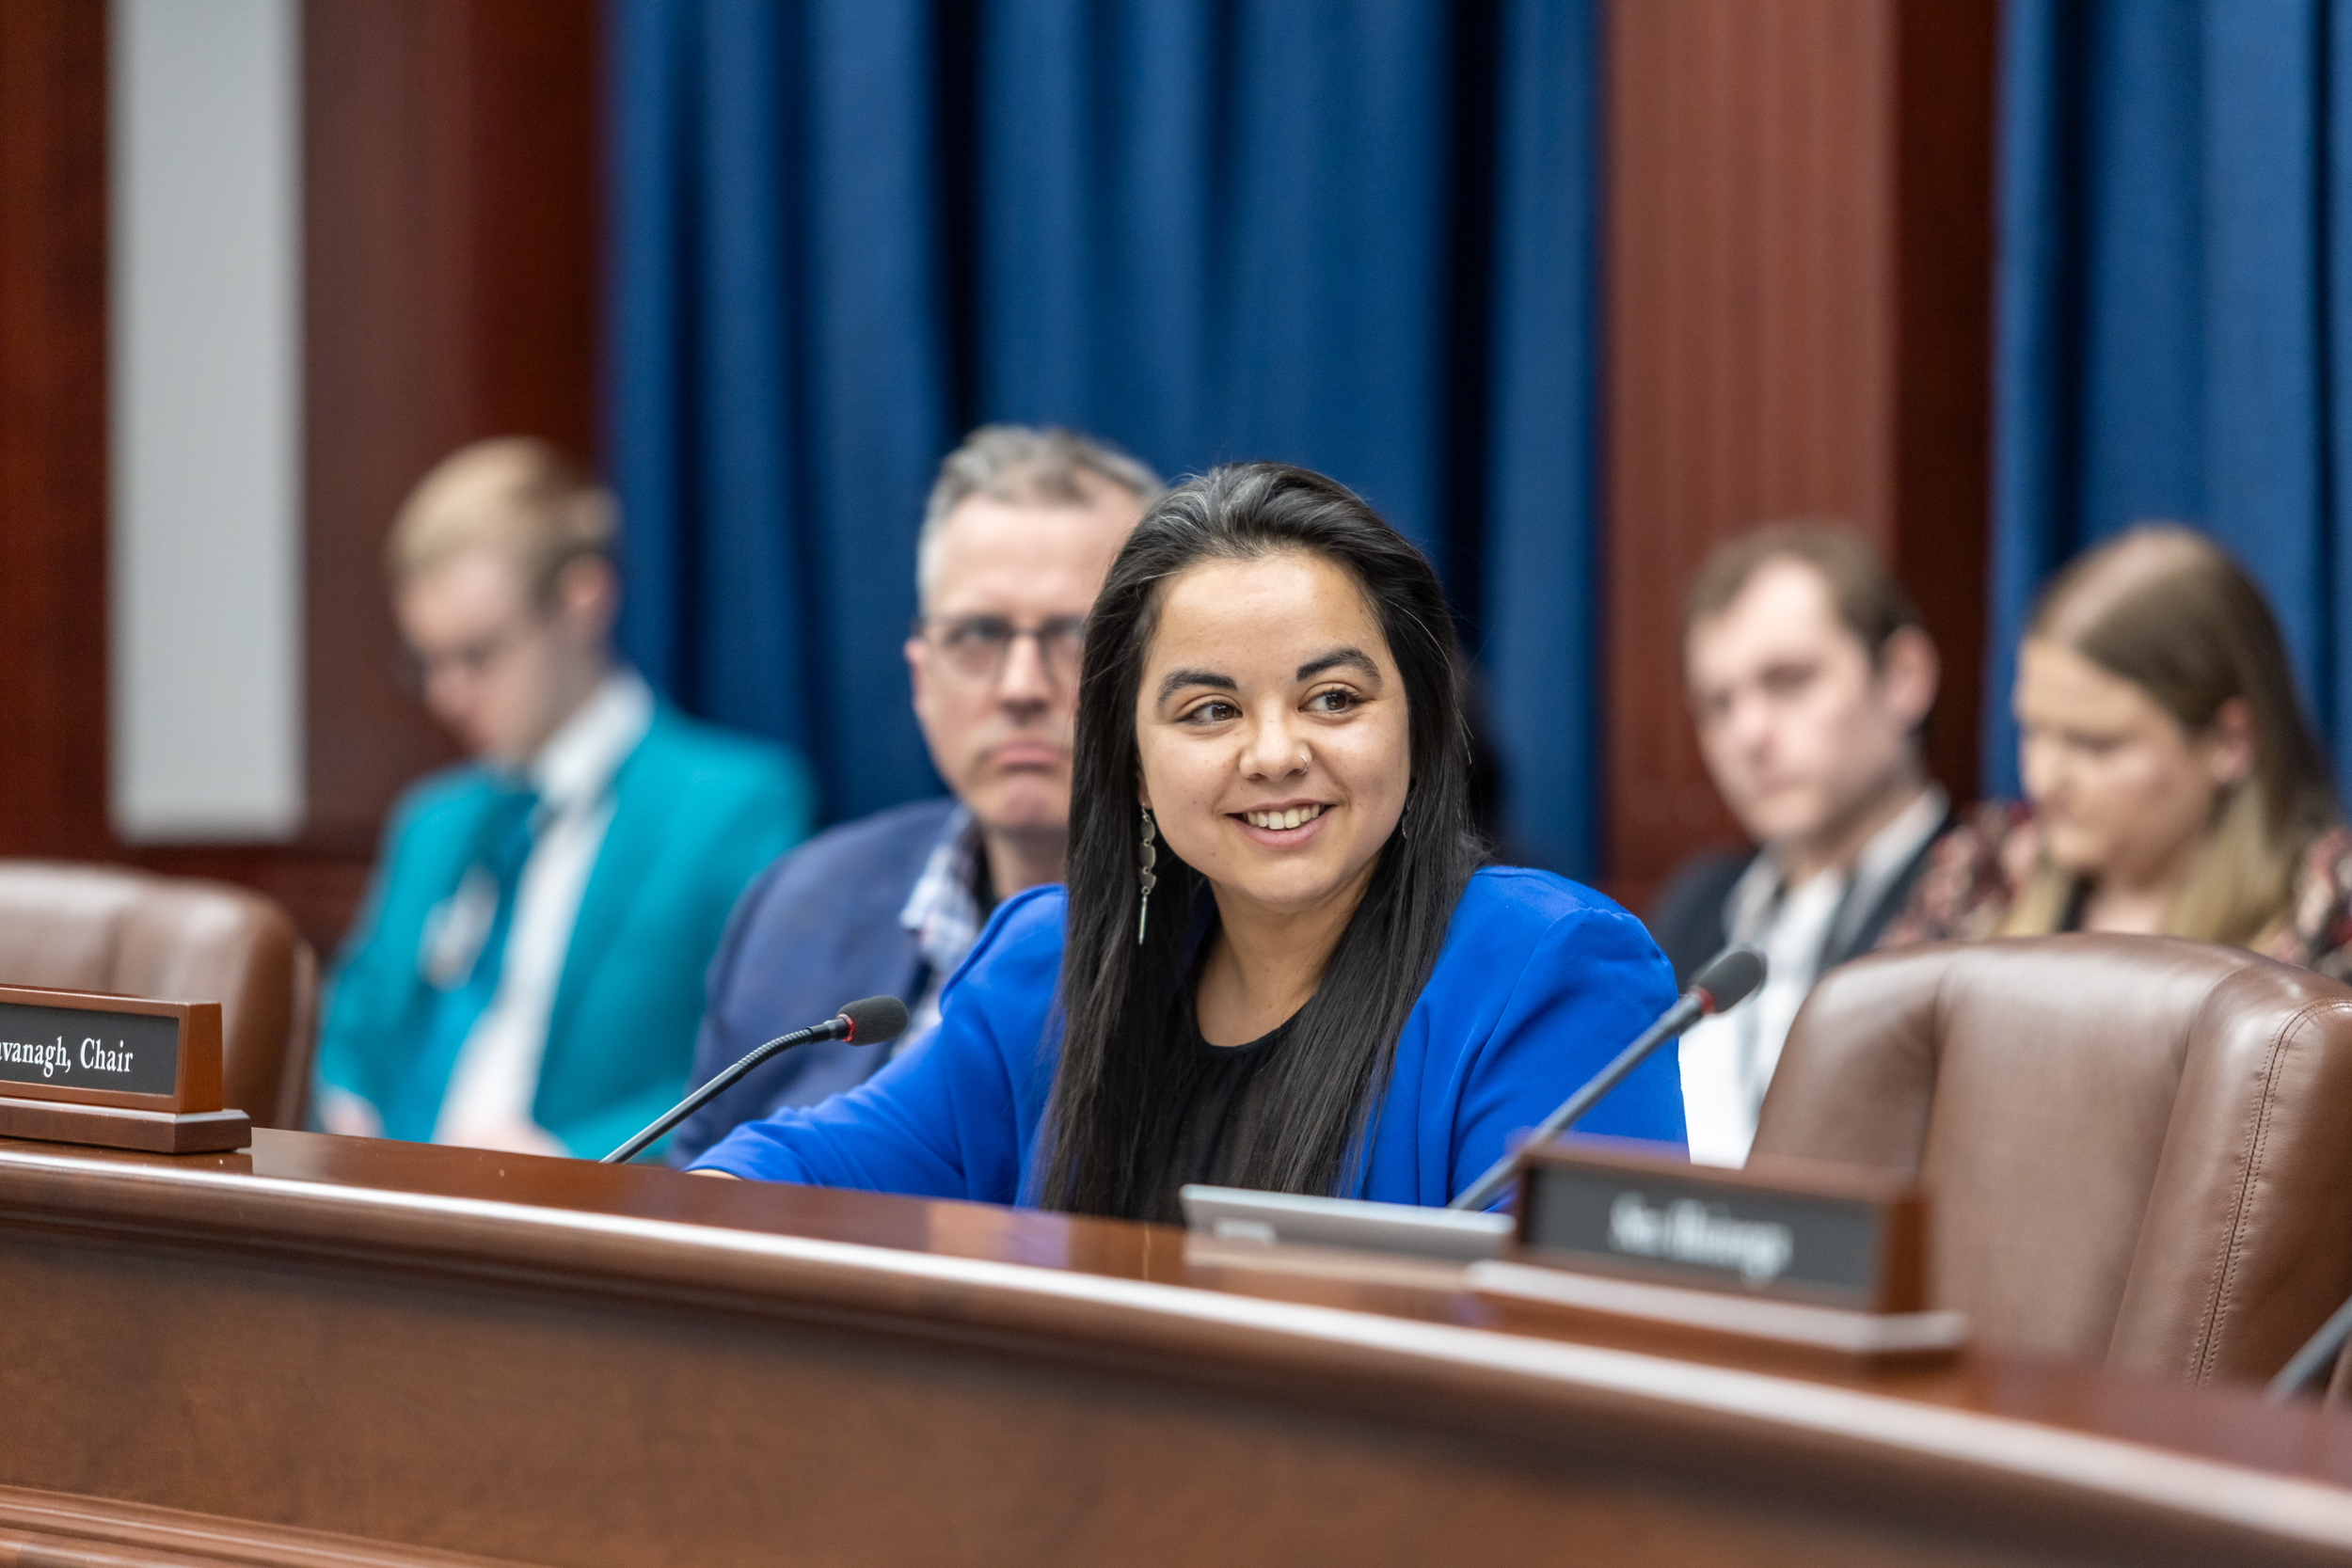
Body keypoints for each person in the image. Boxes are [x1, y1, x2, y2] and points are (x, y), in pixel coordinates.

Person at [689, 462, 1685, 1213]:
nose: (1274, 751)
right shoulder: (1046, 971)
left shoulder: (1550, 971)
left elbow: (1579, 1356)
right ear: (1128, 758)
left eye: (1332, 698)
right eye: (1209, 711)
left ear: (1419, 723)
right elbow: (797, 1171)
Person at [662, 426, 1159, 1164]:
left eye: (1080, 636)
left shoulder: (1237, 943)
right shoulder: (802, 903)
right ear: (923, 677)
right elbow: (689, 1189)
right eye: (977, 635)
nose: (1022, 686)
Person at [315, 438, 814, 1158]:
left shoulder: (733, 806)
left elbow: (764, 1067)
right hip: (380, 1221)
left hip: (575, 1227)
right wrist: (345, 1112)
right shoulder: (431, 822)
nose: (446, 695)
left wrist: (569, 1164)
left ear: (584, 602)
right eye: (428, 660)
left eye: (478, 654)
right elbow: (349, 1031)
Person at [1886, 525, 2352, 974]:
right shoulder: (1982, 875)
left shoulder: (2329, 911)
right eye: (2033, 731)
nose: (2043, 779)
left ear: (2230, 743)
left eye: (2095, 745)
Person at [1645, 527, 1946, 1167]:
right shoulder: (1697, 905)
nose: (1749, 733)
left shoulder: (1987, 892)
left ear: (1903, 677)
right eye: (1719, 704)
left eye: (1789, 681)